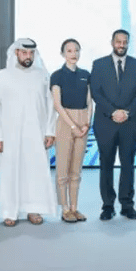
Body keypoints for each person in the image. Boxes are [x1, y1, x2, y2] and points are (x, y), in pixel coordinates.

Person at [0, 38, 57, 227]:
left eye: (31, 53)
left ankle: (34, 209)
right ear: (16, 53)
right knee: (10, 173)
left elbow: (50, 106)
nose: (28, 56)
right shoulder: (2, 76)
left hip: (36, 134)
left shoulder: (42, 75)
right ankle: (9, 212)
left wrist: (50, 131)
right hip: (9, 136)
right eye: (24, 52)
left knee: (35, 172)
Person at [89, 29, 136, 221]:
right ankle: (107, 206)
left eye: (125, 42)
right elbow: (96, 92)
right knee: (105, 164)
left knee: (128, 164)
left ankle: (127, 205)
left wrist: (127, 112)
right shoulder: (99, 64)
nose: (121, 45)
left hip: (130, 123)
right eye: (118, 41)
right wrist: (113, 112)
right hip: (106, 122)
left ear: (128, 43)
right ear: (112, 42)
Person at [50, 38, 92, 223]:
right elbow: (57, 104)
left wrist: (87, 123)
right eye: (69, 51)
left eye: (76, 50)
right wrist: (73, 126)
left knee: (76, 170)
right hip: (66, 121)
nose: (73, 54)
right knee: (63, 170)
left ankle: (75, 208)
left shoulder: (86, 74)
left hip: (83, 123)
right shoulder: (57, 75)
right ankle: (65, 208)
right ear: (62, 54)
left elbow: (89, 101)